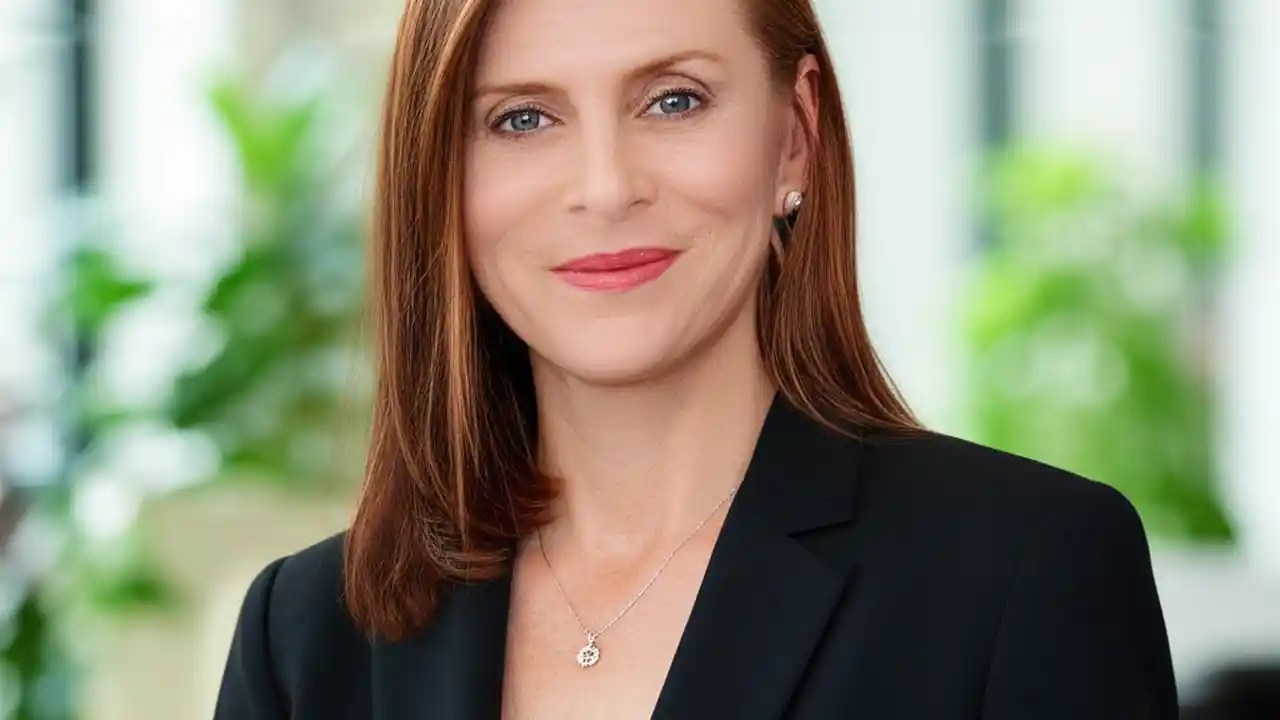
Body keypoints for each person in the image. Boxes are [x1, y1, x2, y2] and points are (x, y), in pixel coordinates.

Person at [213, 0, 1179, 717]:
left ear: (793, 139)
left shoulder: (1025, 569)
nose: (604, 188)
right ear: (443, 180)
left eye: (673, 100)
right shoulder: (308, 635)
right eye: (521, 119)